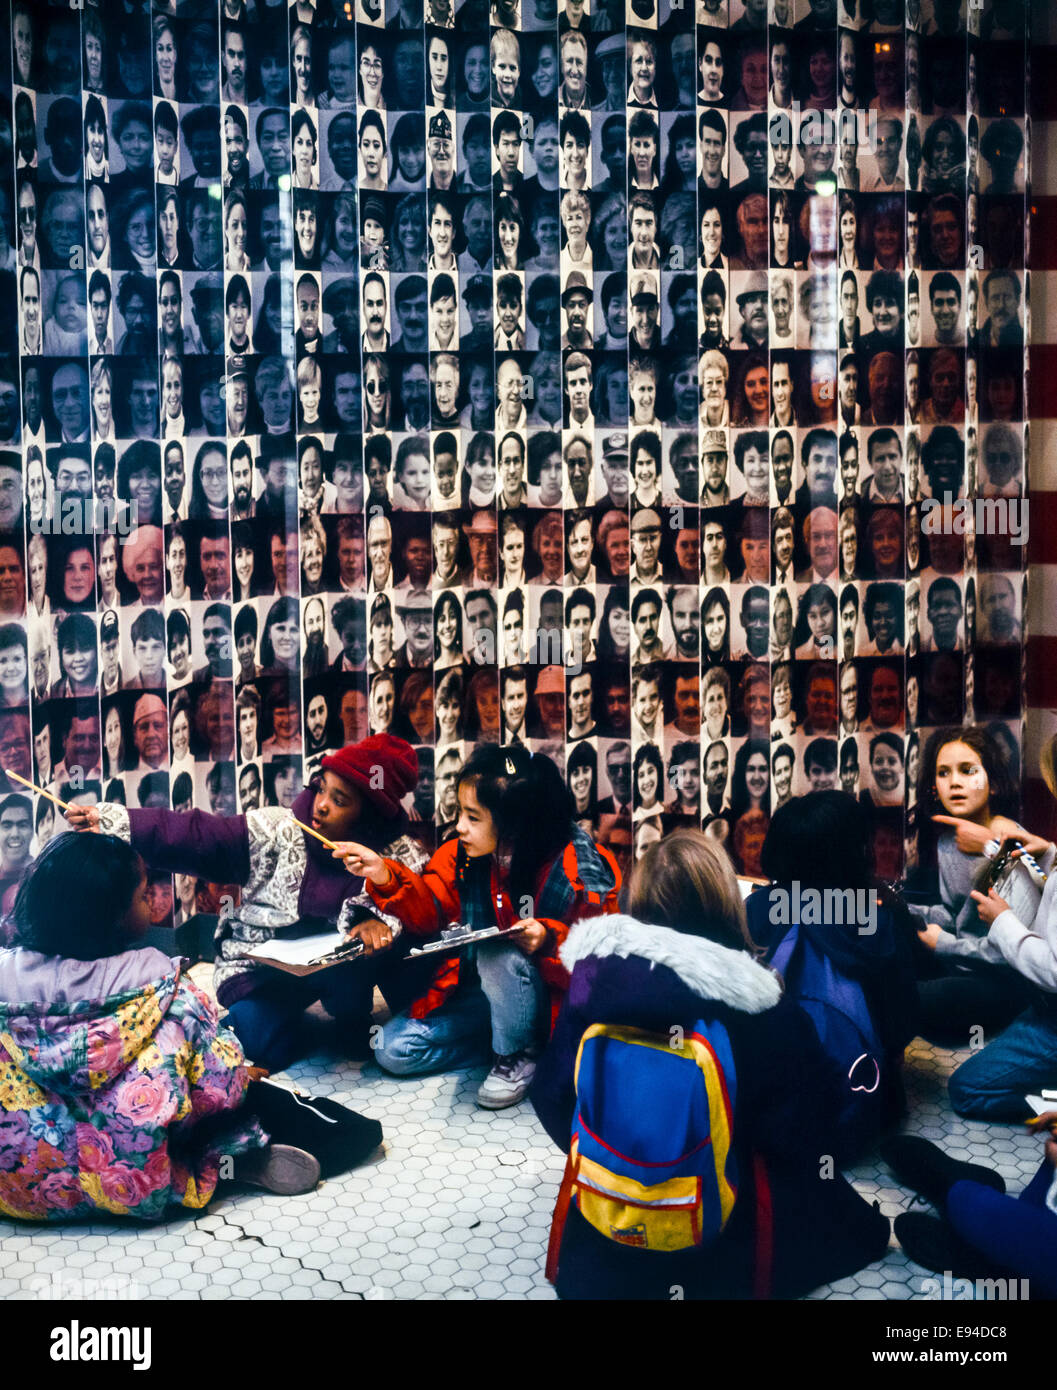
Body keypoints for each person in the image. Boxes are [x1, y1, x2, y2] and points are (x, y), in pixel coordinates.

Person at [531, 828, 890, 1299]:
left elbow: (551, 1096)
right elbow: (805, 1131)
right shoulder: (761, 1007)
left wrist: (632, 1157)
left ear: (636, 904)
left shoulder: (592, 986)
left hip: (601, 1245)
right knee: (854, 1219)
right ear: (726, 903)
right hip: (721, 1250)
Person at [0, 831, 329, 1219]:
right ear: (115, 918)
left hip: (18, 1189)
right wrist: (240, 1074)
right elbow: (219, 1090)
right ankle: (228, 1163)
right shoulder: (170, 995)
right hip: (137, 1182)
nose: (151, 903)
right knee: (278, 1111)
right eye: (142, 896)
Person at [67, 736, 431, 1073]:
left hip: (342, 974)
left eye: (340, 801)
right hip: (263, 968)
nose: (320, 805)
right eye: (322, 788)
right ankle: (293, 1024)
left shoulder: (397, 854)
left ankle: (353, 1019)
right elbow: (199, 835)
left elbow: (422, 906)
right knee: (258, 1042)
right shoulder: (279, 829)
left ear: (369, 815)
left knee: (366, 959)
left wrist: (375, 920)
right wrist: (118, 822)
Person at [335, 745, 620, 1109]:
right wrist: (383, 873)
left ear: (514, 824)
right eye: (460, 813)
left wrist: (548, 940)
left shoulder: (579, 871)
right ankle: (502, 1049)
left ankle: (519, 1053)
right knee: (393, 1050)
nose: (460, 826)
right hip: (481, 997)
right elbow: (429, 910)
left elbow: (598, 970)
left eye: (473, 816)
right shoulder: (461, 855)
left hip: (551, 1007)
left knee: (497, 953)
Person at [909, 727, 1039, 1048]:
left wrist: (943, 945)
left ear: (992, 784)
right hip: (962, 963)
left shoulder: (1013, 844)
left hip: (1004, 980)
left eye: (968, 771)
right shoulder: (947, 843)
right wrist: (904, 911)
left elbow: (1008, 954)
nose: (954, 782)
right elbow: (953, 912)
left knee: (915, 1000)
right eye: (943, 773)